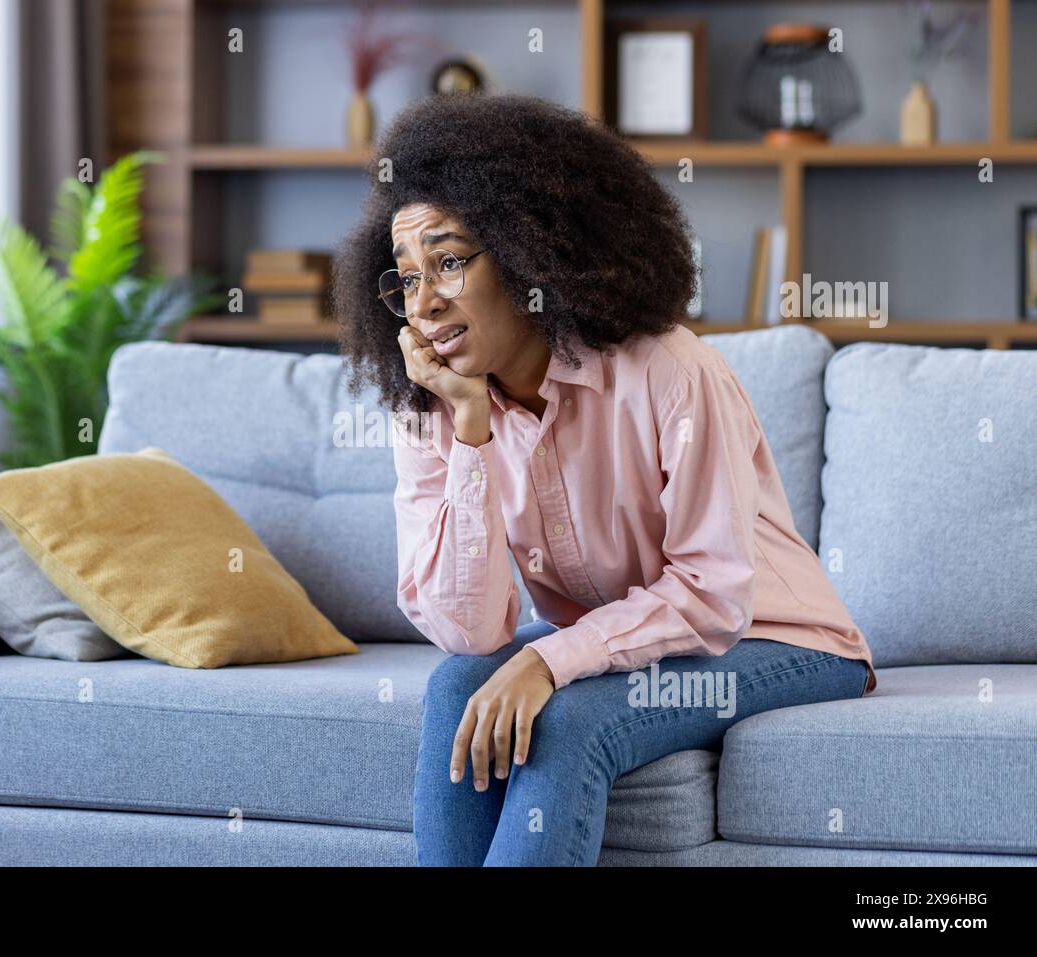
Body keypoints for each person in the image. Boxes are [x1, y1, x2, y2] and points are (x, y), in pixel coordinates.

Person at [331, 93, 876, 867]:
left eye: (449, 261)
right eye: (407, 277)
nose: (425, 302)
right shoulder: (432, 409)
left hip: (781, 637)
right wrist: (472, 433)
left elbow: (716, 594)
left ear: (528, 253)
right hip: (635, 642)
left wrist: (550, 659)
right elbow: (471, 632)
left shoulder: (670, 371)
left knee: (567, 719)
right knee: (458, 689)